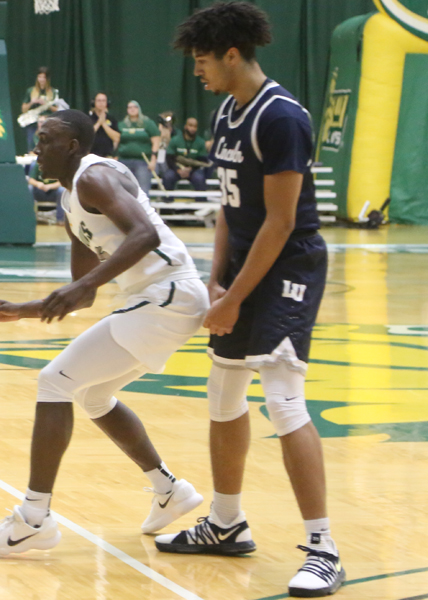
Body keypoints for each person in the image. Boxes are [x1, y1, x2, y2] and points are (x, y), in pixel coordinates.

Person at [156, 4, 345, 598]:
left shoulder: (282, 117)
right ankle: (226, 522)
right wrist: (216, 281)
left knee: (284, 400)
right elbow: (230, 210)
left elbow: (282, 220)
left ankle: (324, 548)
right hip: (244, 263)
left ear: (232, 54)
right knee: (222, 392)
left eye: (204, 60)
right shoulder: (225, 112)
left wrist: (236, 296)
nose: (199, 71)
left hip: (289, 265)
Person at [0, 109, 208, 557]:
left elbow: (145, 234)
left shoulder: (93, 176)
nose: (37, 147)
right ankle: (169, 490)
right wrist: (21, 310)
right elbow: (84, 294)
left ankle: (34, 519)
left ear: (72, 146)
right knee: (93, 396)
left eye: (45, 139)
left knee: (54, 381)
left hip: (167, 293)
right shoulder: (69, 204)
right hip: (158, 300)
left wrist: (84, 284)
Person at [116, 101, 160, 194]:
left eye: (134, 107)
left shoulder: (148, 123)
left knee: (142, 191)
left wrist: (153, 160)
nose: (132, 109)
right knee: (123, 191)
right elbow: (117, 141)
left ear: (139, 109)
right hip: (124, 161)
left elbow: (156, 142)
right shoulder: (122, 124)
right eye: (129, 107)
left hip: (142, 162)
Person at [163, 117, 209, 191]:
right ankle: (167, 201)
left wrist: (190, 169)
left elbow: (203, 160)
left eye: (195, 126)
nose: (193, 128)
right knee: (168, 177)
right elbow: (169, 158)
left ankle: (201, 201)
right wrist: (178, 170)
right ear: (185, 126)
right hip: (177, 168)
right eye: (190, 125)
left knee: (199, 178)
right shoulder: (175, 140)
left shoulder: (200, 142)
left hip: (193, 170)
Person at [20, 67, 59, 152]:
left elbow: (57, 110)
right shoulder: (30, 91)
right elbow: (23, 109)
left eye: (43, 77)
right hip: (33, 122)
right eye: (39, 77)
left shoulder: (53, 92)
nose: (41, 80)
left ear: (47, 79)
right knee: (32, 143)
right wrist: (32, 102)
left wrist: (46, 104)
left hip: (48, 122)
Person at [27, 151, 63, 225]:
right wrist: (38, 184)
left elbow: (62, 182)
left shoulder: (59, 165)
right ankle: (29, 217)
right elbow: (31, 179)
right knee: (29, 188)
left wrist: (50, 186)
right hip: (39, 191)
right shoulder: (37, 164)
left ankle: (61, 219)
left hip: (53, 192)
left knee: (62, 190)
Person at [88, 92, 119, 157]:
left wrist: (104, 124)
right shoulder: (88, 119)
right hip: (92, 156)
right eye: (99, 100)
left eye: (103, 100)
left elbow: (117, 138)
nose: (101, 103)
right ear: (94, 103)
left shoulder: (111, 119)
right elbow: (87, 135)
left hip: (108, 156)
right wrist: (99, 123)